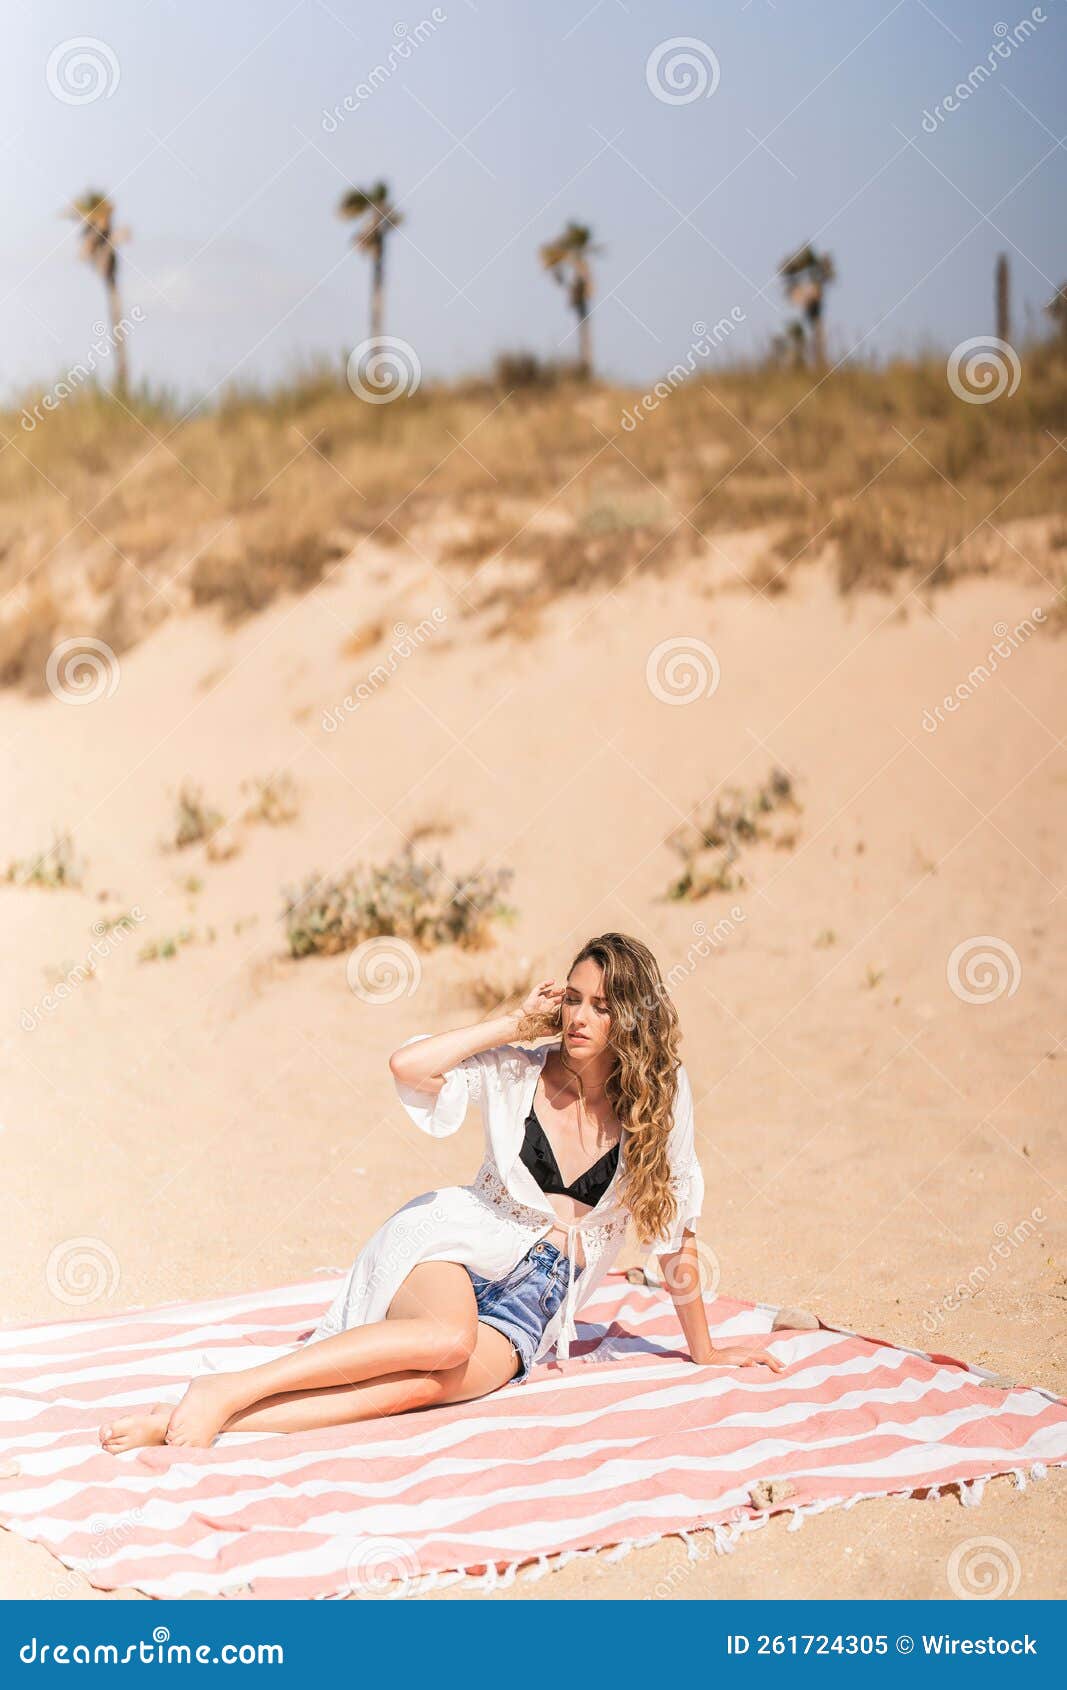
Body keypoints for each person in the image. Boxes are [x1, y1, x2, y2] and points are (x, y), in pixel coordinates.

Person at [100, 932, 782, 1452]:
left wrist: (704, 1350)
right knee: (446, 1336)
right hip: (457, 1243)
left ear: (630, 1018)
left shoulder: (660, 1095)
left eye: (600, 1007)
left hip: (540, 1298)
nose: (579, 1017)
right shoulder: (517, 1069)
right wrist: (514, 1025)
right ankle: (235, 1385)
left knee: (426, 1388)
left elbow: (673, 1232)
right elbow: (408, 1066)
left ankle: (204, 1418)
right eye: (573, 998)